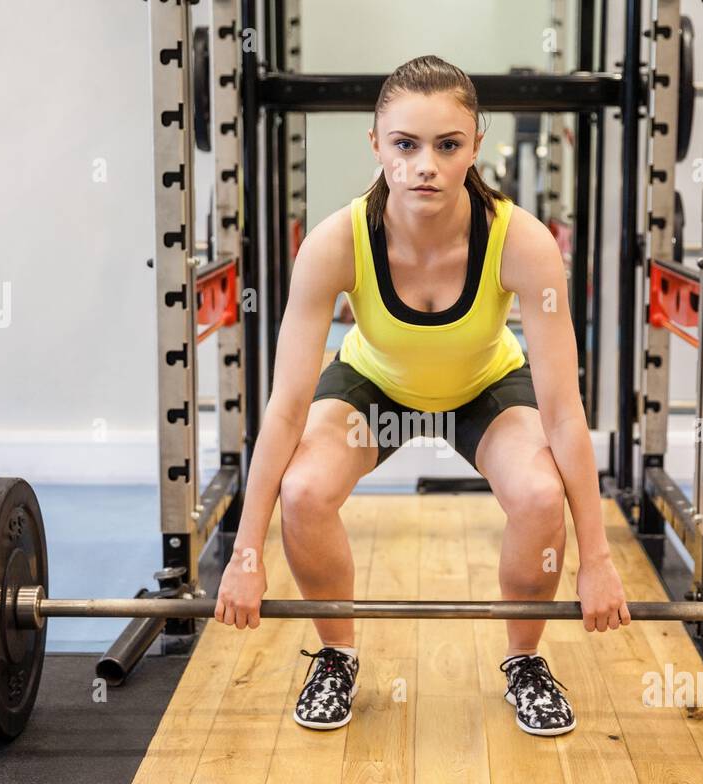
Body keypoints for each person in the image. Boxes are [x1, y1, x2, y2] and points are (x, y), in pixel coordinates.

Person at [214, 55, 631, 736]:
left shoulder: (521, 241)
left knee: (537, 493)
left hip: (482, 388)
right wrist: (245, 552)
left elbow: (563, 412)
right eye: (405, 144)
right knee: (305, 490)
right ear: (376, 145)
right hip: (374, 387)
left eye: (447, 145)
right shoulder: (334, 243)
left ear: (475, 146)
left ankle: (524, 662)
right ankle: (336, 655)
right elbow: (286, 408)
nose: (425, 164)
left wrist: (600, 560)